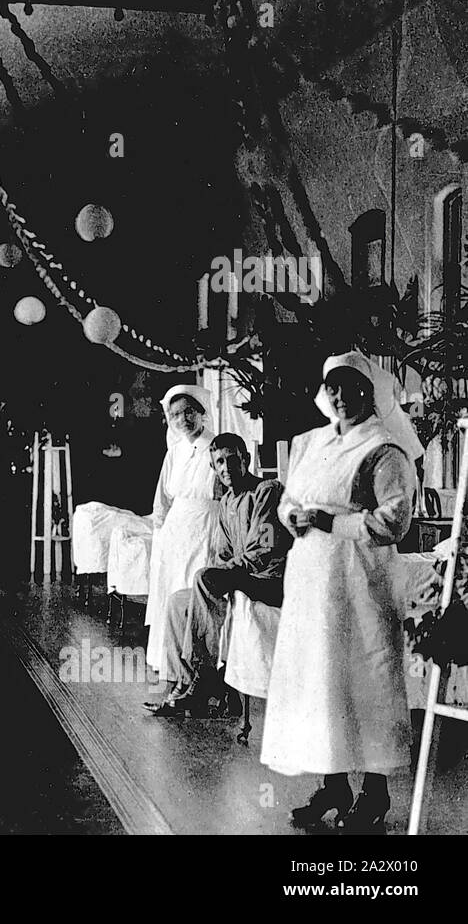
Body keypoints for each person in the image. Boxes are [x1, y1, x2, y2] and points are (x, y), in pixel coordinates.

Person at [261, 352, 422, 833]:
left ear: (369, 392)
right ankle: (333, 784)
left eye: (350, 387)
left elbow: (395, 520)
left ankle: (374, 794)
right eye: (332, 387)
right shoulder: (310, 442)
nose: (339, 396)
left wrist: (332, 521)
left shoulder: (384, 448)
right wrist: (293, 516)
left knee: (363, 680)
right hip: (312, 579)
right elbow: (290, 498)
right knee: (319, 681)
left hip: (359, 582)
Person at [145, 432, 290, 716]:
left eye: (231, 460)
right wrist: (221, 572)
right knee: (177, 601)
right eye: (219, 463)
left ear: (245, 460)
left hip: (268, 579)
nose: (225, 468)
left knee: (205, 578)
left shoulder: (267, 491)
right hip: (242, 577)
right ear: (213, 468)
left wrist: (220, 574)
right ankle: (183, 686)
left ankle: (205, 677)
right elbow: (222, 554)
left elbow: (264, 547)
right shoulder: (225, 504)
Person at [144, 385, 222, 680]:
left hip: (204, 527)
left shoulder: (215, 448)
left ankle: (196, 669)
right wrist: (159, 531)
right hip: (175, 531)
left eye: (189, 411)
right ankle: (170, 663)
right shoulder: (174, 451)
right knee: (170, 591)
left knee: (191, 592)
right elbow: (162, 497)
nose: (183, 419)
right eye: (175, 414)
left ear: (201, 413)